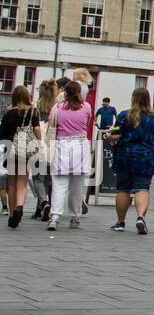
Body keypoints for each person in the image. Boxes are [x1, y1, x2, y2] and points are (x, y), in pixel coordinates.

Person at [107, 88, 154, 234]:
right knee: (142, 188)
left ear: (133, 98)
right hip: (145, 158)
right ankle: (140, 217)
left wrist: (109, 135)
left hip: (124, 156)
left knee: (123, 189)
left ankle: (120, 222)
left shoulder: (124, 115)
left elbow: (115, 135)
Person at [48, 81, 93, 231]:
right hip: (79, 145)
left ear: (65, 93)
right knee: (77, 185)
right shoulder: (86, 107)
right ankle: (75, 216)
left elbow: (51, 128)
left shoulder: (57, 108)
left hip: (62, 145)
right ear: (79, 92)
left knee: (59, 184)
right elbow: (87, 124)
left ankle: (55, 216)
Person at [1, 86, 41, 229]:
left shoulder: (8, 113)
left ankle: (12, 214)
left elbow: (2, 134)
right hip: (26, 149)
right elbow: (37, 129)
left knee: (11, 184)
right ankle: (19, 207)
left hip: (11, 149)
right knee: (22, 183)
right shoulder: (33, 111)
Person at [28, 80, 57, 222]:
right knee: (48, 179)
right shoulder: (58, 108)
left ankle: (43, 204)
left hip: (37, 144)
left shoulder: (34, 107)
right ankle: (43, 207)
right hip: (53, 145)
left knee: (37, 178)